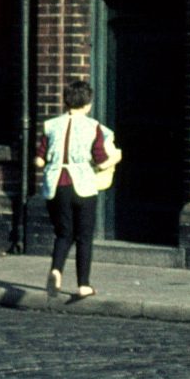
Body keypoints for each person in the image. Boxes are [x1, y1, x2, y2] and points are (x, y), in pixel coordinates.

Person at [34, 78, 118, 301]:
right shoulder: (93, 127)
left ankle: (56, 270)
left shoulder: (51, 125)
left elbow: (39, 159)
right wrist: (114, 159)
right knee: (84, 236)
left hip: (56, 186)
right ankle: (83, 284)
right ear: (88, 103)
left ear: (66, 102)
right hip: (82, 185)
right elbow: (100, 160)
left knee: (63, 233)